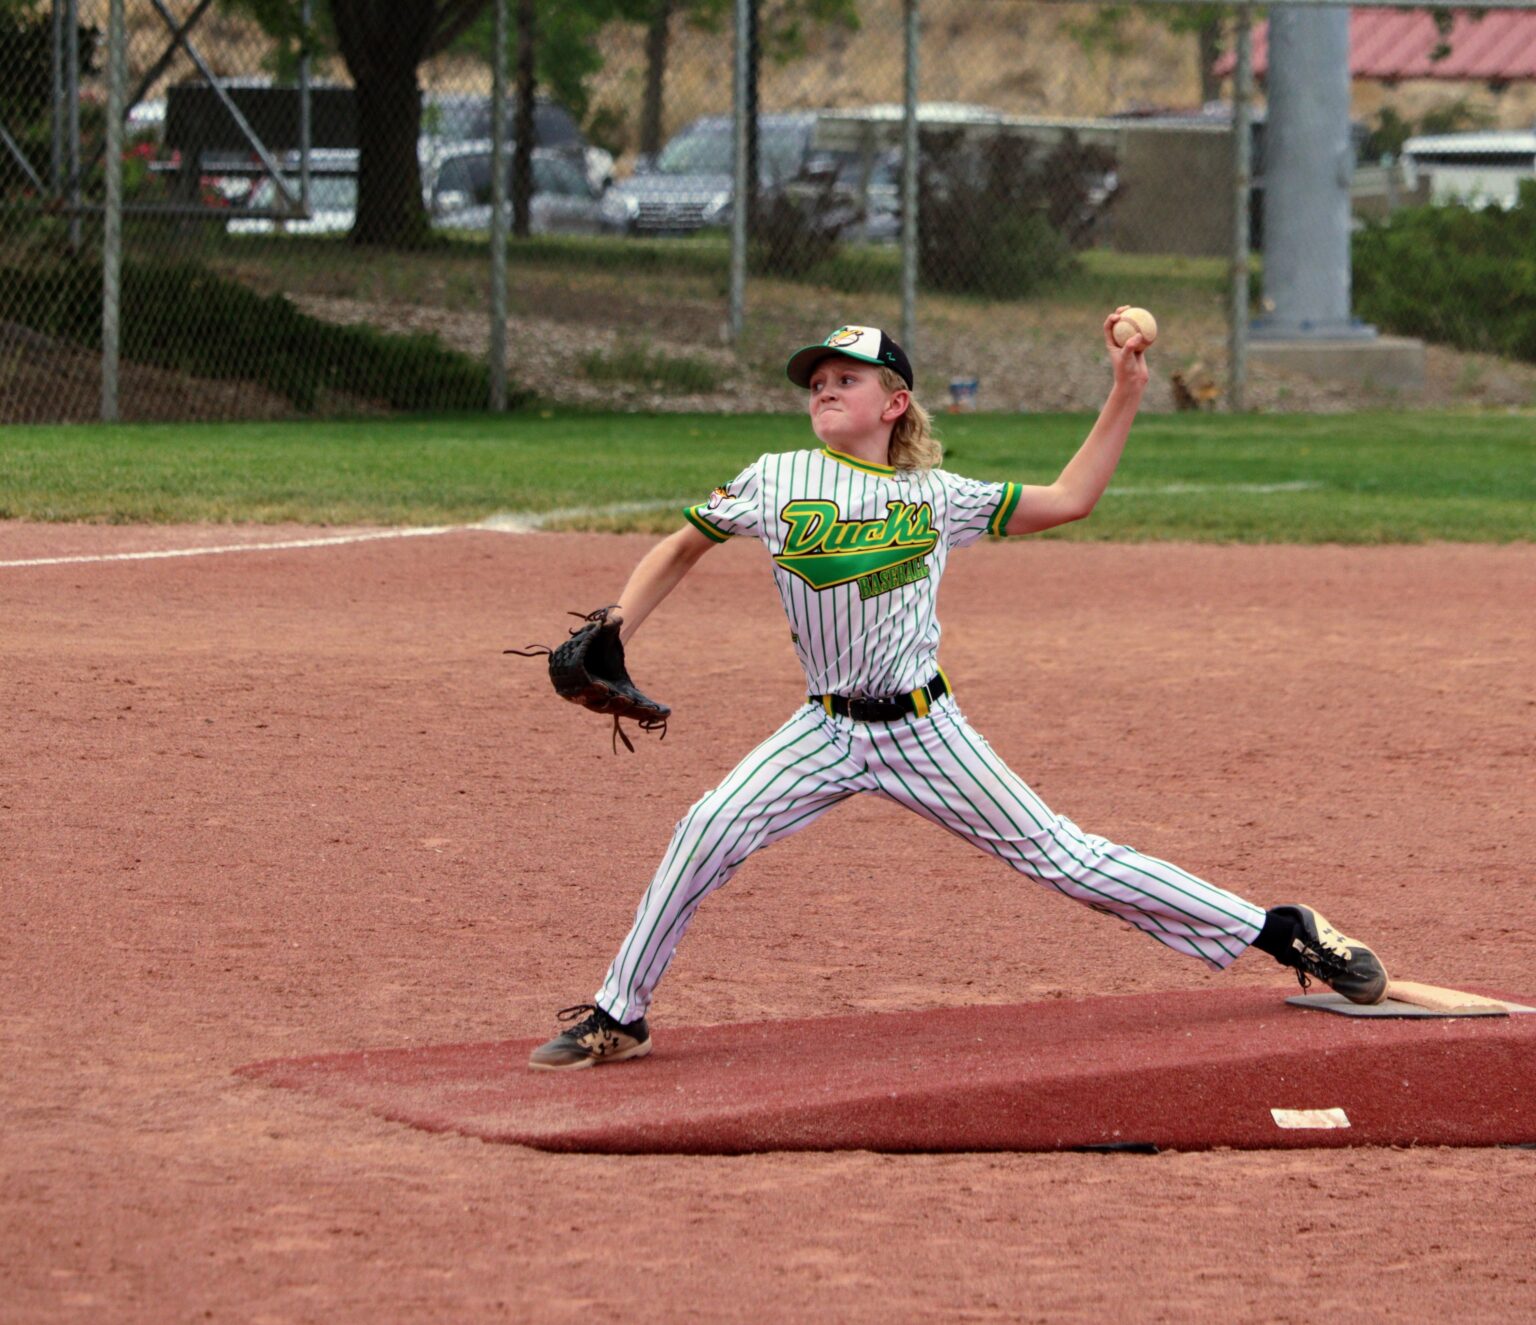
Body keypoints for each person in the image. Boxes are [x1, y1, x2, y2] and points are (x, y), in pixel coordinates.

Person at [528, 317, 1388, 1071]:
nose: (825, 390)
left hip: (924, 730)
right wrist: (614, 626)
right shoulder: (775, 476)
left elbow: (1071, 497)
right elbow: (681, 547)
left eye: (846, 379)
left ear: (893, 402)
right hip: (822, 728)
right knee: (708, 824)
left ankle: (1282, 929)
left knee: (1066, 858)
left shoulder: (939, 497)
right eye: (817, 382)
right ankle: (619, 1013)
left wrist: (1125, 389)